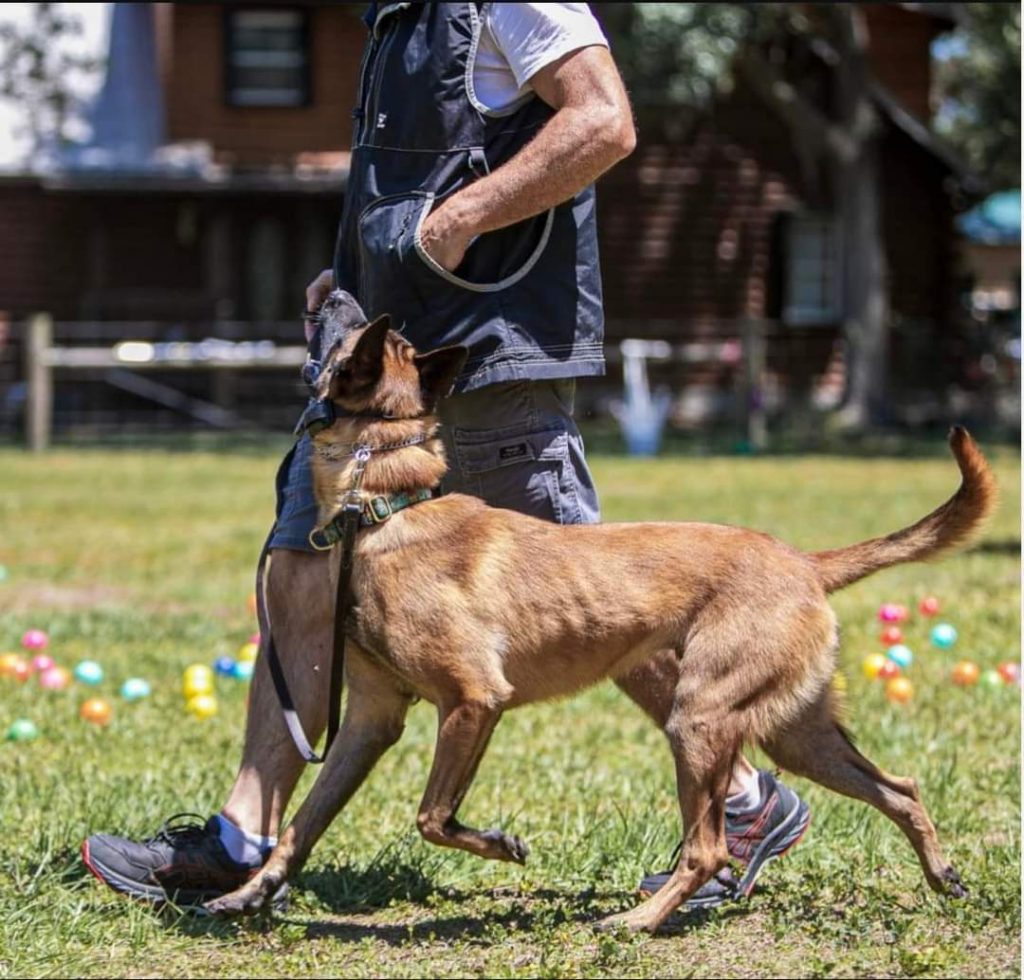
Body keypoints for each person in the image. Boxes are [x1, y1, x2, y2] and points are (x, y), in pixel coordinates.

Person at [82, 2, 808, 913]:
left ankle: (740, 806)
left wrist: (455, 223)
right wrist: (354, 275)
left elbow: (603, 120)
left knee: (608, 610)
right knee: (300, 569)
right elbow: (405, 183)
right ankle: (243, 837)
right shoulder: (395, 20)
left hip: (490, 362)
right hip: (383, 380)